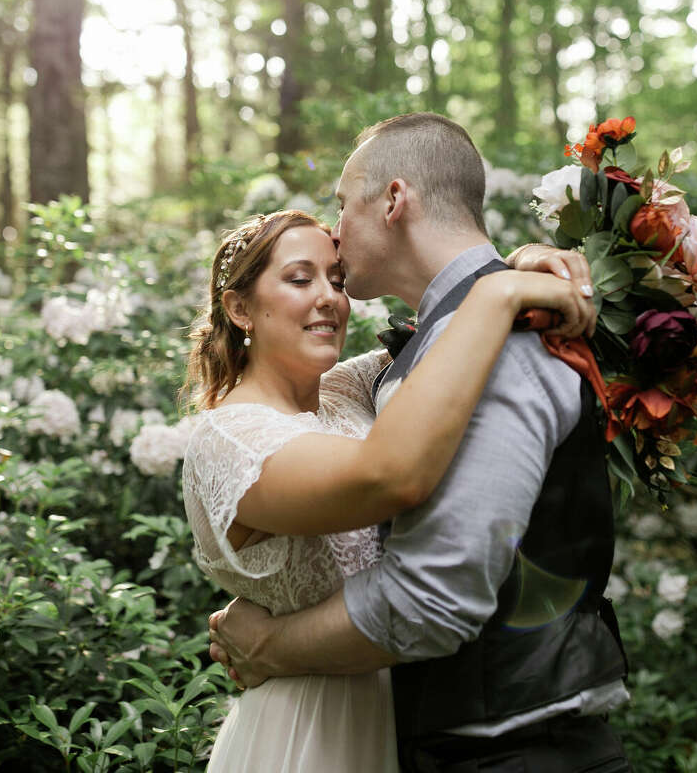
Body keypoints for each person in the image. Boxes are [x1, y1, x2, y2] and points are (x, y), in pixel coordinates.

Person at [207, 112, 633, 772]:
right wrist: (505, 278)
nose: (337, 234)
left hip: (511, 751)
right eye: (298, 278)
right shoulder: (454, 338)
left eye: (343, 205)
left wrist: (270, 645)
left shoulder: (497, 341)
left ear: (394, 200)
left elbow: (432, 599)